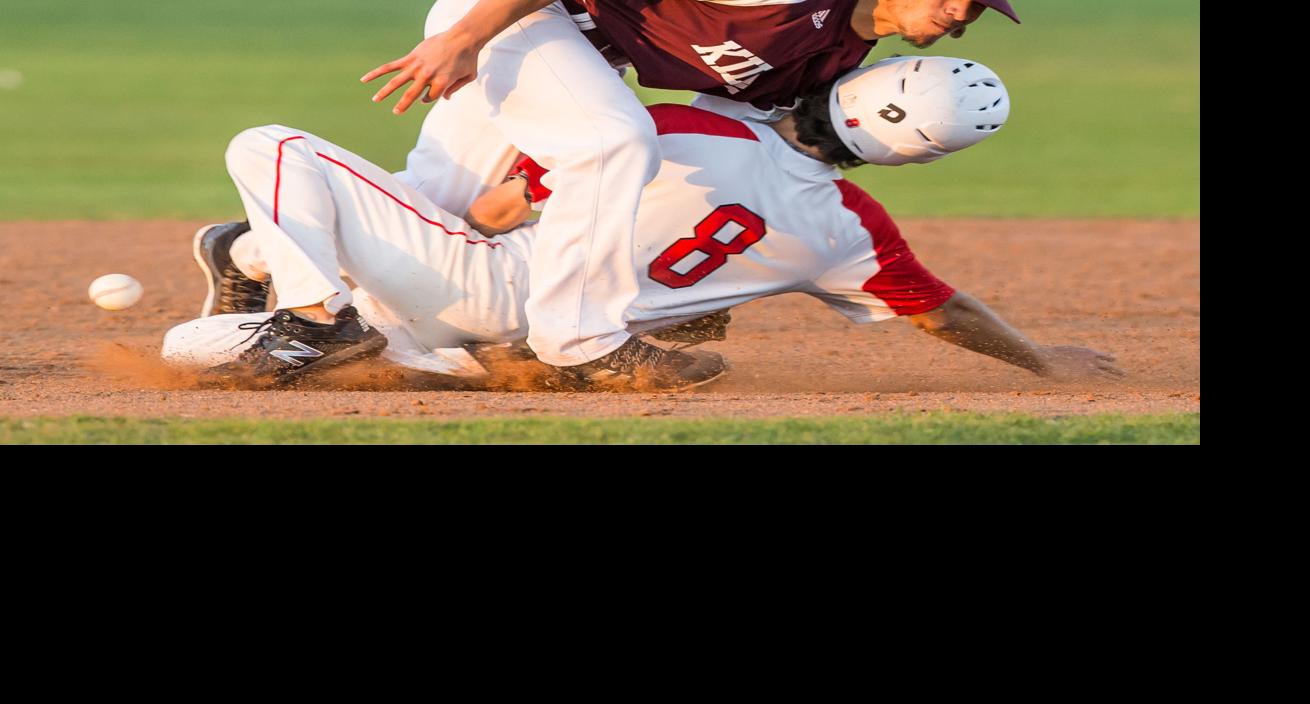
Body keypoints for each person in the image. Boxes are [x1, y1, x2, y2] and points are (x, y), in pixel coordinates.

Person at [173, 56, 1118, 389]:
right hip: (513, 332)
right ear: (912, 158)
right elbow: (943, 313)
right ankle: (288, 284)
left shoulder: (687, 126)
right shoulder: (854, 232)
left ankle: (307, 303)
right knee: (189, 351)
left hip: (474, 277)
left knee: (272, 146)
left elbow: (497, 210)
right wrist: (1041, 361)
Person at [341, 0, 1022, 389]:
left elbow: (737, 154)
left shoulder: (833, 59)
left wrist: (695, 300)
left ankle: (299, 308)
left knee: (434, 203)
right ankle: (579, 340)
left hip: (579, 55)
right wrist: (463, 37)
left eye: (974, 11)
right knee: (612, 142)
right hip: (516, 19)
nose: (960, 13)